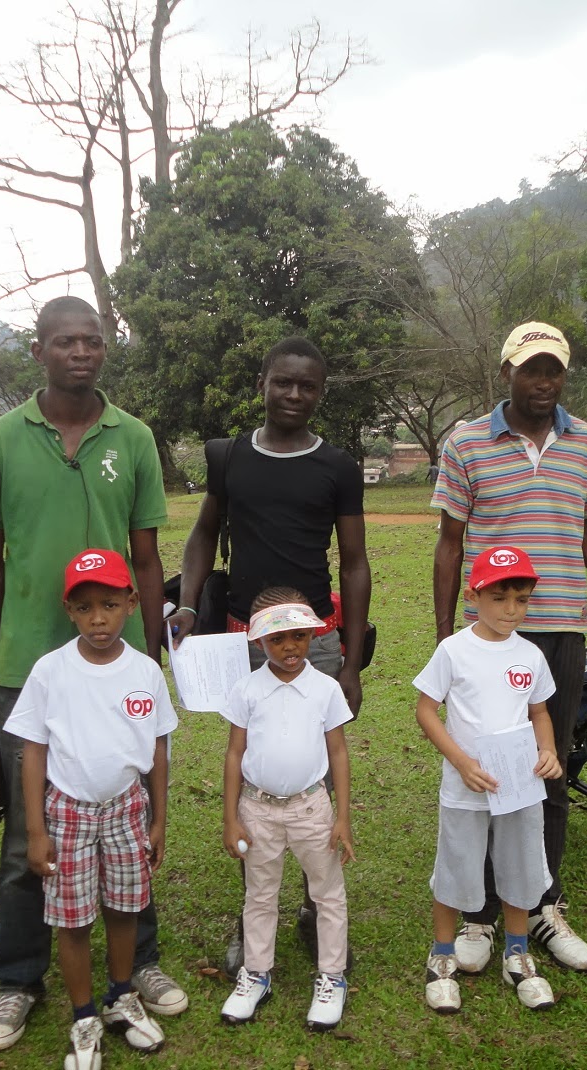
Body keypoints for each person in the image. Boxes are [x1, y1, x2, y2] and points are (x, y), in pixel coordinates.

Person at [0, 296, 187, 1054]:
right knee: (33, 831)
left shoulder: (134, 437)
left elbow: (149, 555)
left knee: (128, 807)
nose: (81, 353)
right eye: (66, 342)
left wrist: (153, 648)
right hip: (28, 665)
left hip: (118, 659)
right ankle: (19, 978)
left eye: (93, 341)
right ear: (40, 352)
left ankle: (138, 973)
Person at [431, 320, 587, 974]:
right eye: (531, 368)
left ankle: (542, 903)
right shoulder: (467, 442)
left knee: (551, 765)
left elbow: (584, 535)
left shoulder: (584, 441)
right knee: (481, 771)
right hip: (487, 636)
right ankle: (481, 916)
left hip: (562, 628)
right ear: (507, 370)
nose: (543, 381)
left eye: (554, 370)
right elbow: (450, 543)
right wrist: (443, 639)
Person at [168, 335, 370, 969]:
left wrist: (354, 661)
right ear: (263, 382)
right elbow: (204, 534)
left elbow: (356, 562)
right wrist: (187, 603)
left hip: (318, 641)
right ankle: (253, 911)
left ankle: (315, 903)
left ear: (320, 392)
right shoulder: (229, 459)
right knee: (255, 770)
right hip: (244, 637)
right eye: (284, 382)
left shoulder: (337, 466)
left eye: (307, 386)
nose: (294, 395)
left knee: (311, 766)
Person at [5, 549, 178, 1069]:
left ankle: (121, 995)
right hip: (68, 813)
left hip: (127, 808)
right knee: (74, 919)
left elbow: (159, 750)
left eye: (108, 604)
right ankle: (84, 1016)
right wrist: (36, 831)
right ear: (68, 610)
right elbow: (32, 751)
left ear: (131, 602)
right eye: (84, 608)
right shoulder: (50, 671)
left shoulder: (145, 671)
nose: (98, 619)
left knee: (125, 908)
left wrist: (159, 819)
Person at [415, 546, 562, 1014]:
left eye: (521, 599)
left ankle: (517, 955)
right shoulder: (454, 650)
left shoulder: (531, 655)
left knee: (519, 865)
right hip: (466, 788)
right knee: (457, 865)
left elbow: (539, 712)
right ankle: (442, 958)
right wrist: (460, 761)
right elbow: (425, 710)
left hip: (519, 787)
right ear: (475, 595)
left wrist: (549, 751)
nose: (511, 610)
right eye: (499, 598)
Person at [218, 589, 356, 1031]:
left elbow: (338, 752)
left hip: (311, 807)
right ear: (260, 642)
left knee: (327, 893)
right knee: (259, 895)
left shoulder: (325, 688)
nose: (290, 646)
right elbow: (235, 752)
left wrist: (342, 816)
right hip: (257, 809)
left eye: (298, 636)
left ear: (311, 637)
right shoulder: (247, 689)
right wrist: (231, 816)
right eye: (277, 639)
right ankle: (257, 974)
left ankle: (332, 977)